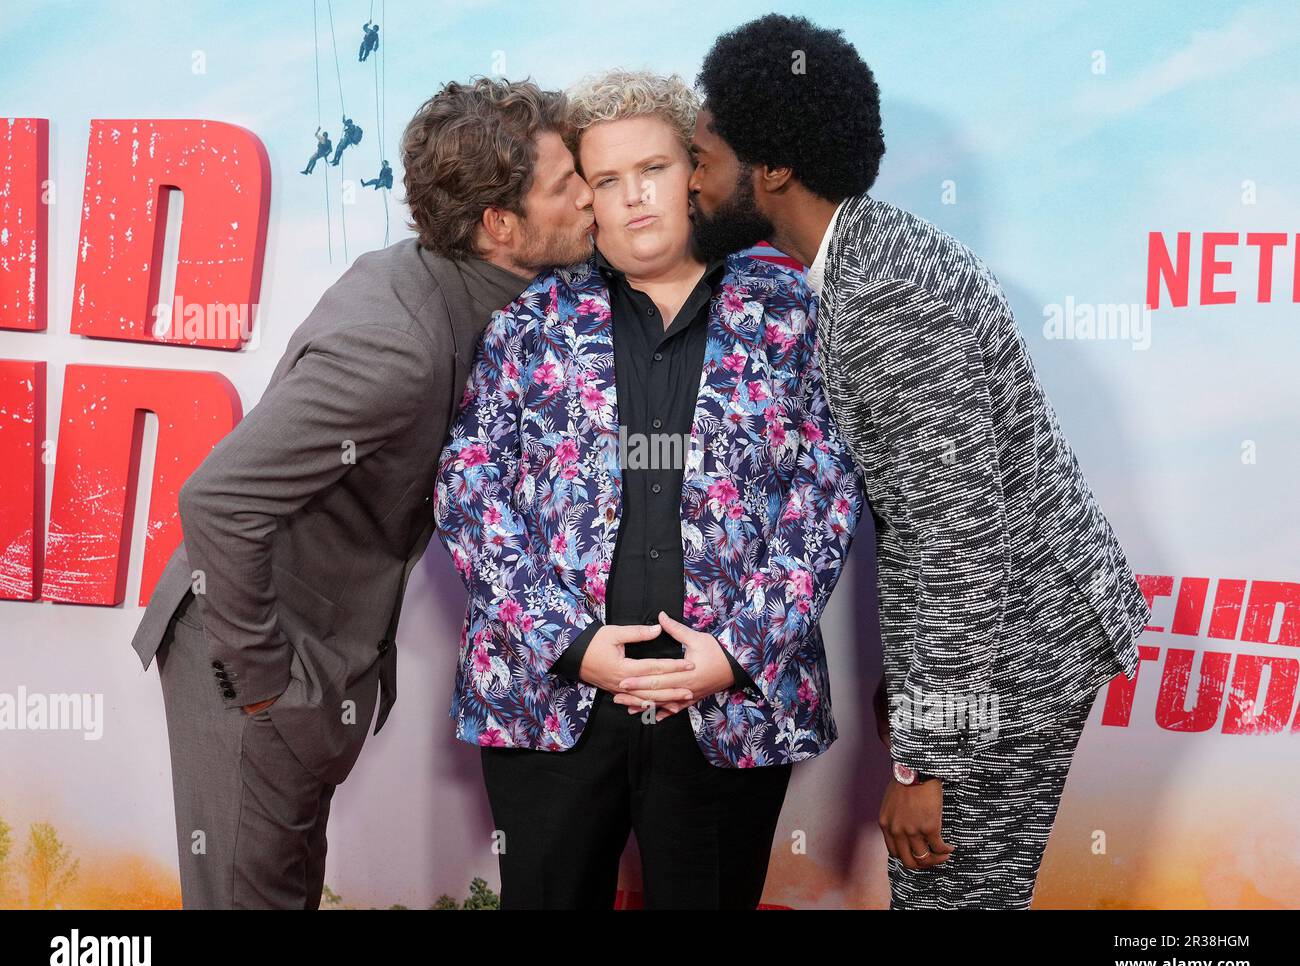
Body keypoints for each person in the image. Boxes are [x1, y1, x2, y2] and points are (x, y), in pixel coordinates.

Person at [689, 14, 1152, 910]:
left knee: (953, 898)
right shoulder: (864, 253)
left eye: (704, 156)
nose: (694, 181)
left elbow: (957, 539)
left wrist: (929, 760)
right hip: (998, 637)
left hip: (1022, 647)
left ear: (774, 168)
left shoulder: (883, 296)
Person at [130, 77, 596, 909]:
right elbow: (217, 500)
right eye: (568, 185)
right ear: (500, 224)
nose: (592, 199)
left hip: (309, 659)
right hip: (246, 656)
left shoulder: (454, 282)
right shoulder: (401, 345)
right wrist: (272, 690)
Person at [434, 69, 865, 909]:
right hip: (551, 705)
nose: (633, 198)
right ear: (585, 195)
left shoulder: (792, 311)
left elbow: (828, 490)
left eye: (654, 169)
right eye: (605, 179)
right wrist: (569, 642)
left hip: (725, 709)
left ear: (694, 171)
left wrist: (736, 651)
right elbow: (467, 488)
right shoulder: (529, 322)